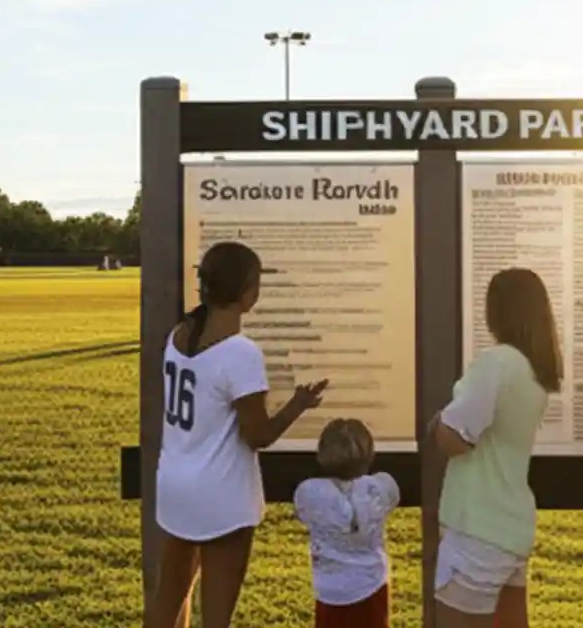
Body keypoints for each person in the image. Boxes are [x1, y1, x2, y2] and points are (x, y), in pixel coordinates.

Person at [146, 241, 329, 628]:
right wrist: (297, 405)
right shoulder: (240, 353)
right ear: (250, 293)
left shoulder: (181, 333)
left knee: (167, 602)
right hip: (220, 497)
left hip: (175, 486)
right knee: (216, 616)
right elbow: (257, 435)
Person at [429, 267, 562, 628]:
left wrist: (439, 421)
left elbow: (456, 438)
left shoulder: (496, 362)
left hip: (477, 529)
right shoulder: (535, 369)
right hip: (510, 525)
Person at [294, 418, 400, 628]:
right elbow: (392, 496)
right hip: (372, 582)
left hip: (330, 590)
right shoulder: (379, 487)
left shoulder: (311, 492)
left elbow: (302, 513)